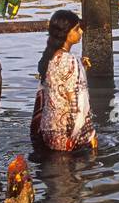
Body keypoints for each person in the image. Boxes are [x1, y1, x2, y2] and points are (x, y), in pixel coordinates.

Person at [31, 10, 97, 152]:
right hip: (66, 134)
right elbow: (76, 102)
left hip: (48, 129)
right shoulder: (69, 60)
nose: (81, 32)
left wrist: (81, 70)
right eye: (76, 29)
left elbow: (58, 84)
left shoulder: (50, 56)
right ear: (66, 34)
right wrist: (89, 134)